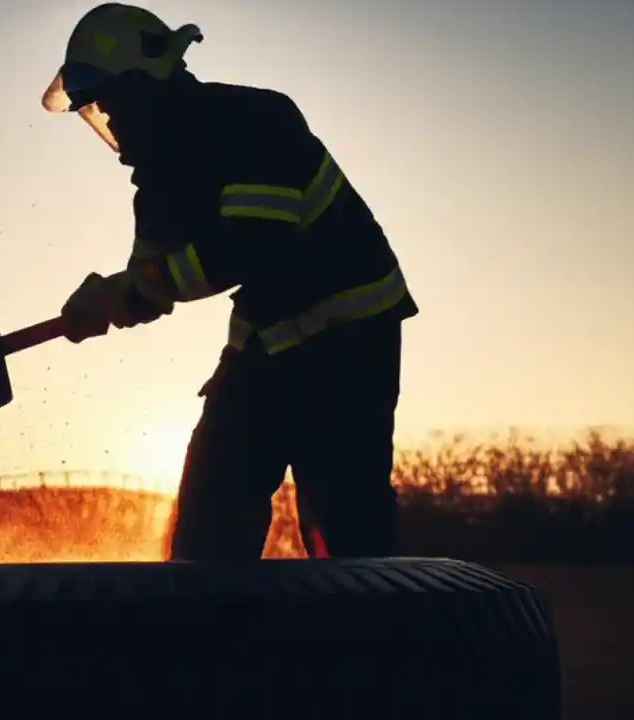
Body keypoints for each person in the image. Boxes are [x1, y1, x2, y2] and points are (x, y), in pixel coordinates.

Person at [41, 3, 418, 560]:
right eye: (96, 109)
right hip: (265, 340)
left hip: (350, 332)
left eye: (111, 102)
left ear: (147, 85)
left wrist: (139, 286)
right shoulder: (156, 184)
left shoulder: (255, 120)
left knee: (346, 518)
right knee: (209, 508)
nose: (110, 122)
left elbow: (249, 246)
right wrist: (106, 300)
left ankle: (371, 637)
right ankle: (206, 638)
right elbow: (153, 282)